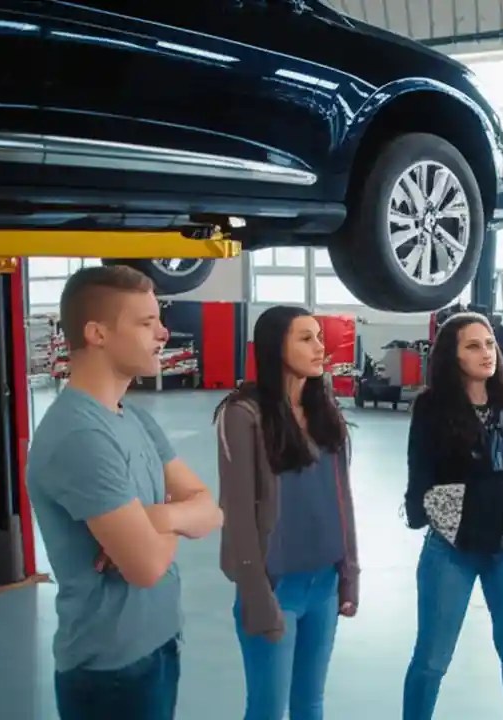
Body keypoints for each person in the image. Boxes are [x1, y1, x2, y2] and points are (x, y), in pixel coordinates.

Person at [26, 265, 223, 720]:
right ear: (97, 333)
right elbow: (148, 565)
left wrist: (154, 519)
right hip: (111, 670)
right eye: (146, 322)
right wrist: (174, 516)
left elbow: (210, 509)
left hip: (157, 644)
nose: (163, 332)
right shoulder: (80, 436)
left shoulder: (132, 417)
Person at [401, 311, 503, 720]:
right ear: (453, 356)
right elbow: (421, 473)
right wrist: (427, 510)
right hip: (453, 546)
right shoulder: (431, 408)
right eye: (473, 346)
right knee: (431, 658)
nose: (486, 353)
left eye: (489, 344)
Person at [214, 305, 360, 720]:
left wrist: (349, 572)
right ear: (276, 346)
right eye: (306, 338)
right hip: (275, 586)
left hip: (324, 584)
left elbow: (342, 499)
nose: (320, 347)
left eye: (319, 336)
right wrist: (257, 595)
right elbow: (237, 511)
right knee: (267, 708)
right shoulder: (243, 414)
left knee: (310, 704)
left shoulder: (324, 411)